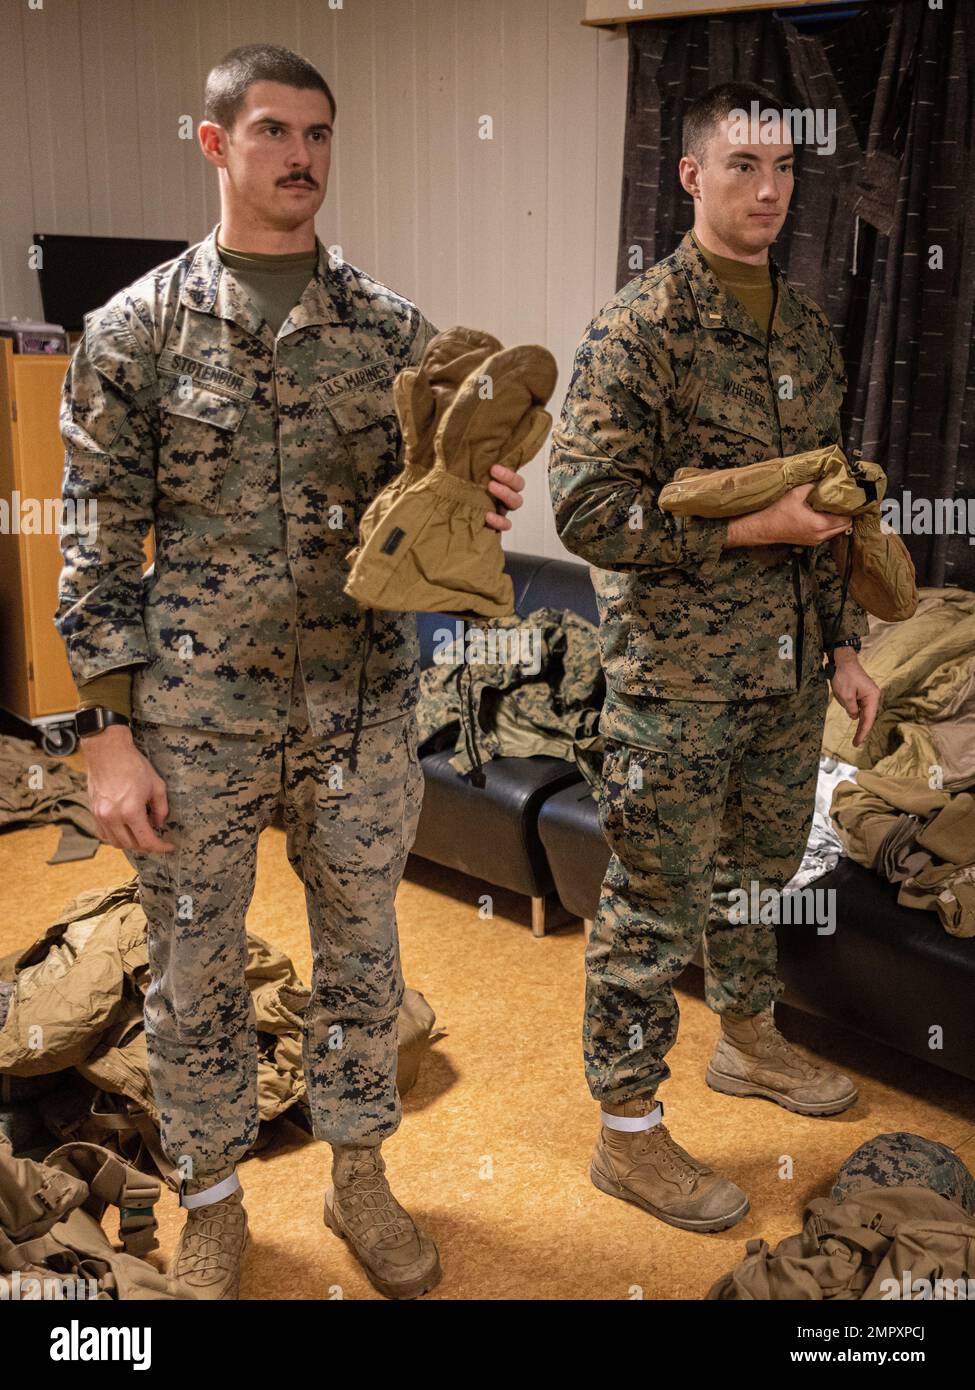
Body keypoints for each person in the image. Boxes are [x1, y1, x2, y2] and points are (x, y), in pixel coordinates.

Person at [55, 43, 525, 1301]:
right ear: (215, 144)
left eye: (320, 135)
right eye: (274, 131)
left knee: (364, 958)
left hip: (359, 708)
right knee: (193, 968)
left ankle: (359, 1174)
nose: (302, 156)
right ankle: (213, 1199)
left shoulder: (393, 332)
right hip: (194, 720)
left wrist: (471, 501)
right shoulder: (133, 331)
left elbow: (426, 503)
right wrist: (105, 733)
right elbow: (96, 539)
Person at [549, 81, 881, 1234]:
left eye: (784, 169)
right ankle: (627, 1134)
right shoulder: (640, 328)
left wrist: (841, 645)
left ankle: (745, 1038)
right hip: (677, 682)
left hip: (788, 676)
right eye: (743, 166)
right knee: (653, 905)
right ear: (691, 176)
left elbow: (830, 502)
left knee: (761, 869)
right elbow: (585, 511)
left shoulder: (803, 325)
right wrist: (749, 527)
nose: (770, 190)